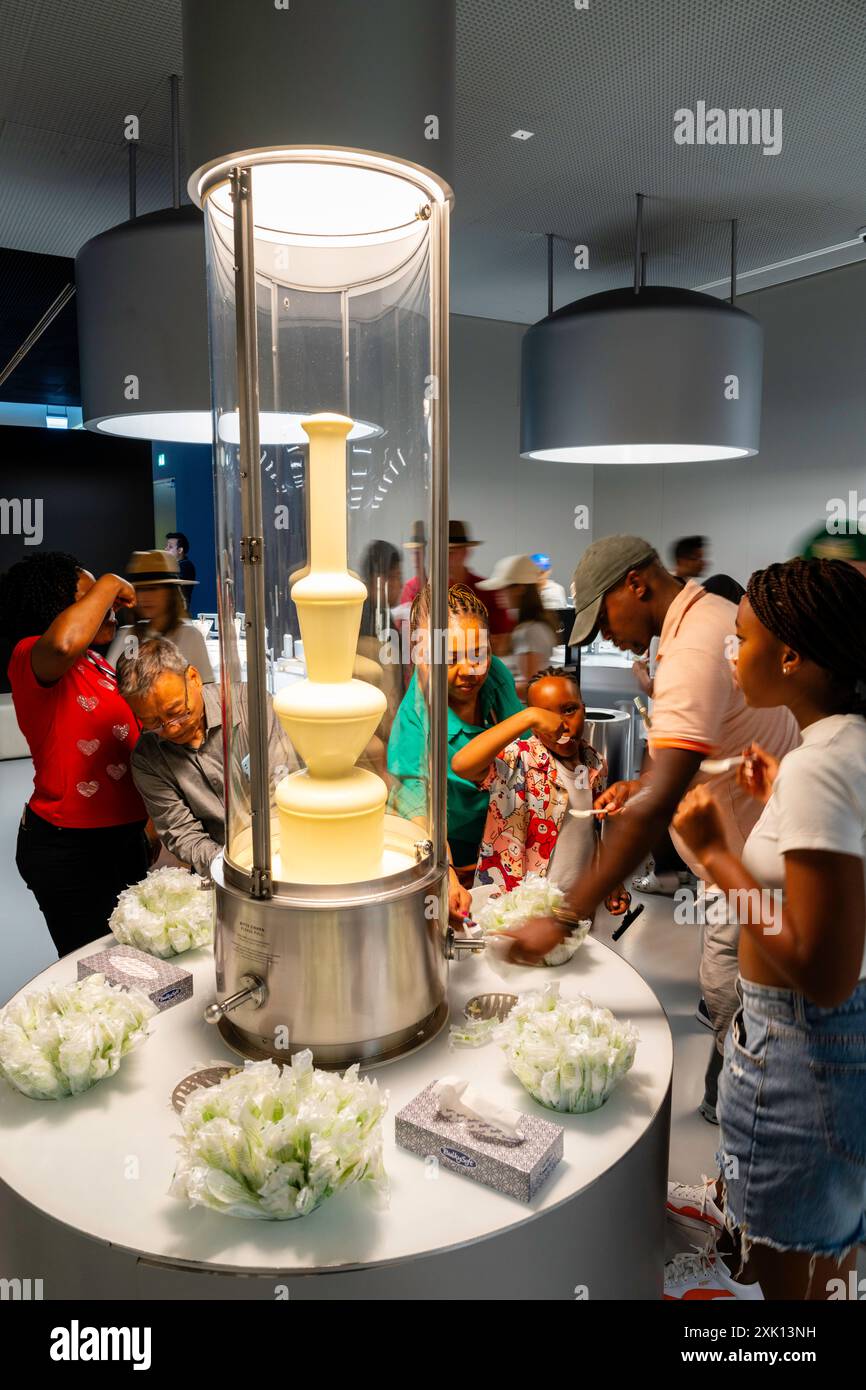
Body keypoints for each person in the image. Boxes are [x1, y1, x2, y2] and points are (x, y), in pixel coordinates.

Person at [501, 535, 799, 1124]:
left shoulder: (689, 651)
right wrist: (641, 787)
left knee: (733, 997)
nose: (605, 636)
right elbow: (690, 763)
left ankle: (736, 1123)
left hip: (753, 867)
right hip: (754, 852)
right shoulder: (707, 616)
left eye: (602, 617)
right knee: (735, 997)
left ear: (636, 584)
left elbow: (661, 803)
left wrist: (565, 915)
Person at [666, 557, 866, 1301]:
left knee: (784, 1281)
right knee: (828, 1253)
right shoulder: (841, 749)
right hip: (832, 1054)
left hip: (798, 1054)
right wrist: (783, 795)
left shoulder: (823, 767)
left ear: (791, 656)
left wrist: (720, 859)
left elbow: (822, 968)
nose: (729, 652)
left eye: (740, 638)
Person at [0, 552, 152, 956]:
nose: (108, 606)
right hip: (69, 850)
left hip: (123, 841)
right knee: (98, 971)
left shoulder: (97, 665)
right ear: (57, 609)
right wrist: (111, 579)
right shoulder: (30, 655)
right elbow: (65, 641)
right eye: (91, 598)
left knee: (138, 961)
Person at [387, 583, 525, 920]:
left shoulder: (495, 677)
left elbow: (527, 747)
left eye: (478, 653)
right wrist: (444, 873)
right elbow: (418, 801)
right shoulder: (417, 718)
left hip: (498, 837)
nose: (469, 670)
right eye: (449, 659)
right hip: (440, 845)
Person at [452, 667, 629, 912]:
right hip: (517, 909)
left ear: (584, 709)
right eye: (545, 715)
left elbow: (591, 832)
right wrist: (528, 717)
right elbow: (462, 764)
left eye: (569, 710)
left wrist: (610, 880)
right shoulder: (519, 760)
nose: (561, 725)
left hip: (574, 907)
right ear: (534, 724)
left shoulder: (594, 764)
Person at [117, 638, 295, 878]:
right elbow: (182, 833)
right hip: (221, 869)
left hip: (290, 850)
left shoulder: (249, 705)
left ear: (194, 678)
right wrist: (233, 870)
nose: (171, 729)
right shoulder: (147, 758)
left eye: (177, 712)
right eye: (152, 723)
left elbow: (284, 786)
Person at [107, 550, 214, 681]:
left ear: (171, 592)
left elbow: (205, 688)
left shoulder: (190, 636)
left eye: (153, 588)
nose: (145, 597)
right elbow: (109, 683)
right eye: (140, 589)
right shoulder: (128, 635)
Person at [477, 554, 557, 696]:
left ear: (520, 589)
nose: (499, 593)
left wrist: (483, 688)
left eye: (504, 588)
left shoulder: (530, 631)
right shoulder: (529, 626)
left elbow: (531, 686)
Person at [448, 520, 514, 657]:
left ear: (465, 552)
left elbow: (501, 639)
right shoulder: (433, 592)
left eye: (452, 552)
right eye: (443, 553)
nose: (447, 558)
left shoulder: (486, 590)